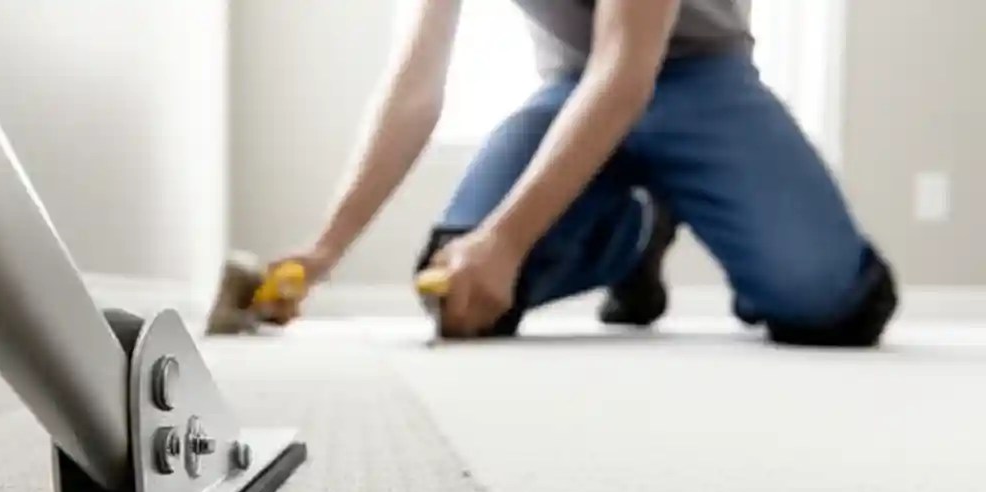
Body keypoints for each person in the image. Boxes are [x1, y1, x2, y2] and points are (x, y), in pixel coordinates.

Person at [267, 0, 897, 346]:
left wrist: (505, 238)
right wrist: (326, 249)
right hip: (572, 85)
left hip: (701, 75)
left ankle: (739, 232)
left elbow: (626, 68)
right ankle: (638, 236)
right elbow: (415, 86)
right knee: (462, 292)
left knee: (825, 304)